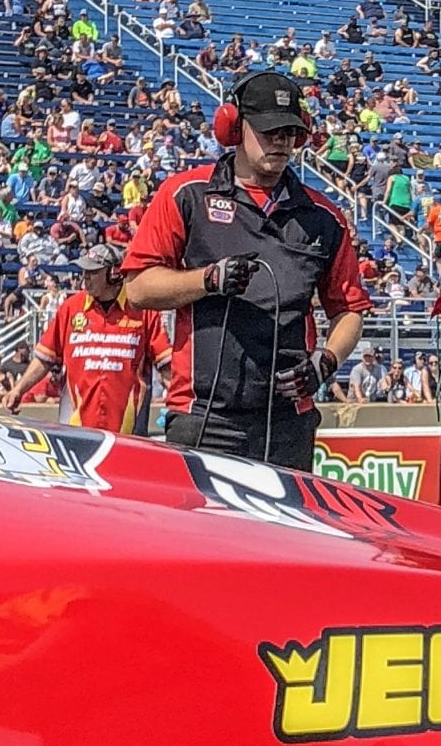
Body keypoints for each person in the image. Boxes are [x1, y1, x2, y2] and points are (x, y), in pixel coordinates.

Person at [122, 72, 372, 468]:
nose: (281, 142)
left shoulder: (325, 216)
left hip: (289, 419)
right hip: (203, 414)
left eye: (290, 133)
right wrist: (208, 279)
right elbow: (137, 289)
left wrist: (326, 361)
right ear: (234, 127)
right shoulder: (186, 193)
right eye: (270, 131)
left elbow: (349, 311)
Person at [4, 244, 172, 434]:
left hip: (128, 435)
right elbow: (45, 358)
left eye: (93, 272)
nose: (85, 277)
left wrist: (180, 404)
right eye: (84, 271)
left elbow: (166, 365)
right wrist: (19, 390)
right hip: (77, 435)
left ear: (114, 273)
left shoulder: (143, 310)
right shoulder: (71, 308)